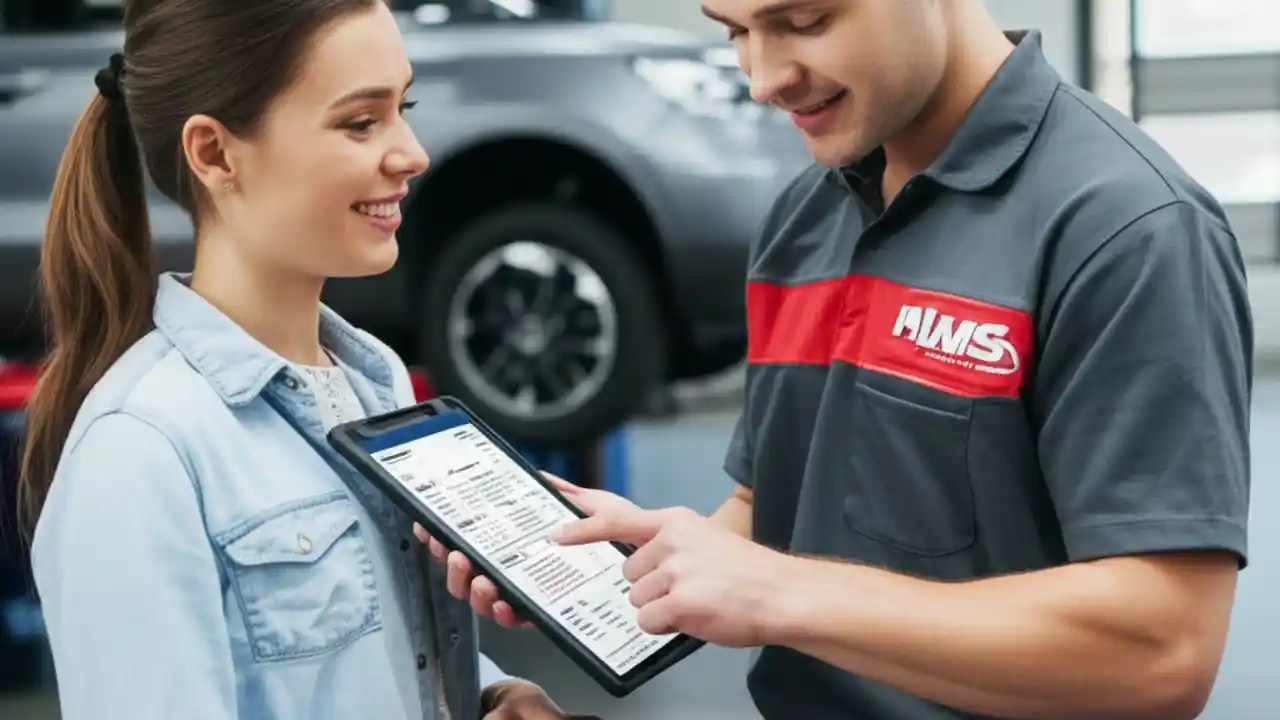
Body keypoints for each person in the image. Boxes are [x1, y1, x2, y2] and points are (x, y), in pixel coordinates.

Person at [423, 1, 1253, 718]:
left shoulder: (1130, 228)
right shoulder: (806, 219)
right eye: (735, 30)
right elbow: (778, 502)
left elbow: (1163, 650)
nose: (763, 76)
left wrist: (775, 593)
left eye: (804, 21)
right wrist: (642, 561)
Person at [18, 1, 585, 718]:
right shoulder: (143, 452)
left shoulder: (371, 385)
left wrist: (488, 695)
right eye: (360, 122)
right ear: (215, 153)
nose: (412, 152)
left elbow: (364, 651)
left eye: (402, 107)